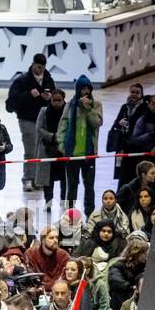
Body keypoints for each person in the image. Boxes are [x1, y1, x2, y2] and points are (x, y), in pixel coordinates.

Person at [7, 53, 56, 192]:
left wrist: (50, 98)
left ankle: (39, 179)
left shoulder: (48, 80)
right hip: (26, 119)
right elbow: (11, 103)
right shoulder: (22, 80)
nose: (40, 70)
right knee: (30, 150)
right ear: (33, 64)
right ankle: (28, 179)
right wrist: (29, 95)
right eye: (38, 66)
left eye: (42, 67)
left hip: (44, 120)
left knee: (43, 150)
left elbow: (57, 100)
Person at [58, 77, 104, 213]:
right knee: (72, 185)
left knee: (89, 185)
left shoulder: (96, 105)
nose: (85, 91)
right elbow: (63, 124)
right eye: (83, 88)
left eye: (88, 88)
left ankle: (89, 213)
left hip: (89, 152)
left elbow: (97, 123)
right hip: (72, 152)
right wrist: (61, 144)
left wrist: (88, 108)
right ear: (78, 89)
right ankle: (69, 213)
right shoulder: (70, 105)